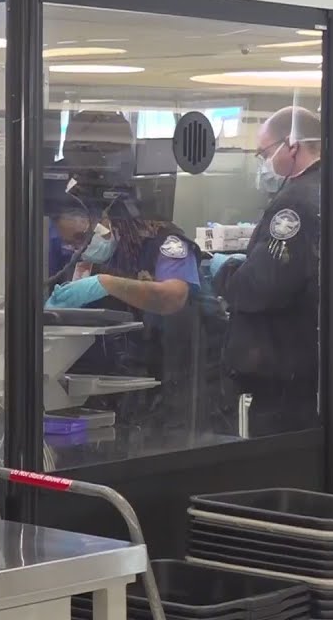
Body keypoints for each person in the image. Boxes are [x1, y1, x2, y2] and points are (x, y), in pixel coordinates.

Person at [209, 106, 333, 498]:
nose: (263, 163)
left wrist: (225, 274)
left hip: (301, 378)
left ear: (291, 146)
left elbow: (264, 285)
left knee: (297, 490)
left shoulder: (298, 201)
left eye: (263, 153)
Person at [44, 112, 206, 429]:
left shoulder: (158, 236)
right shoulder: (59, 240)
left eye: (83, 233)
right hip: (72, 387)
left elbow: (173, 296)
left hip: (141, 392)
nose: (77, 240)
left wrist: (105, 284)